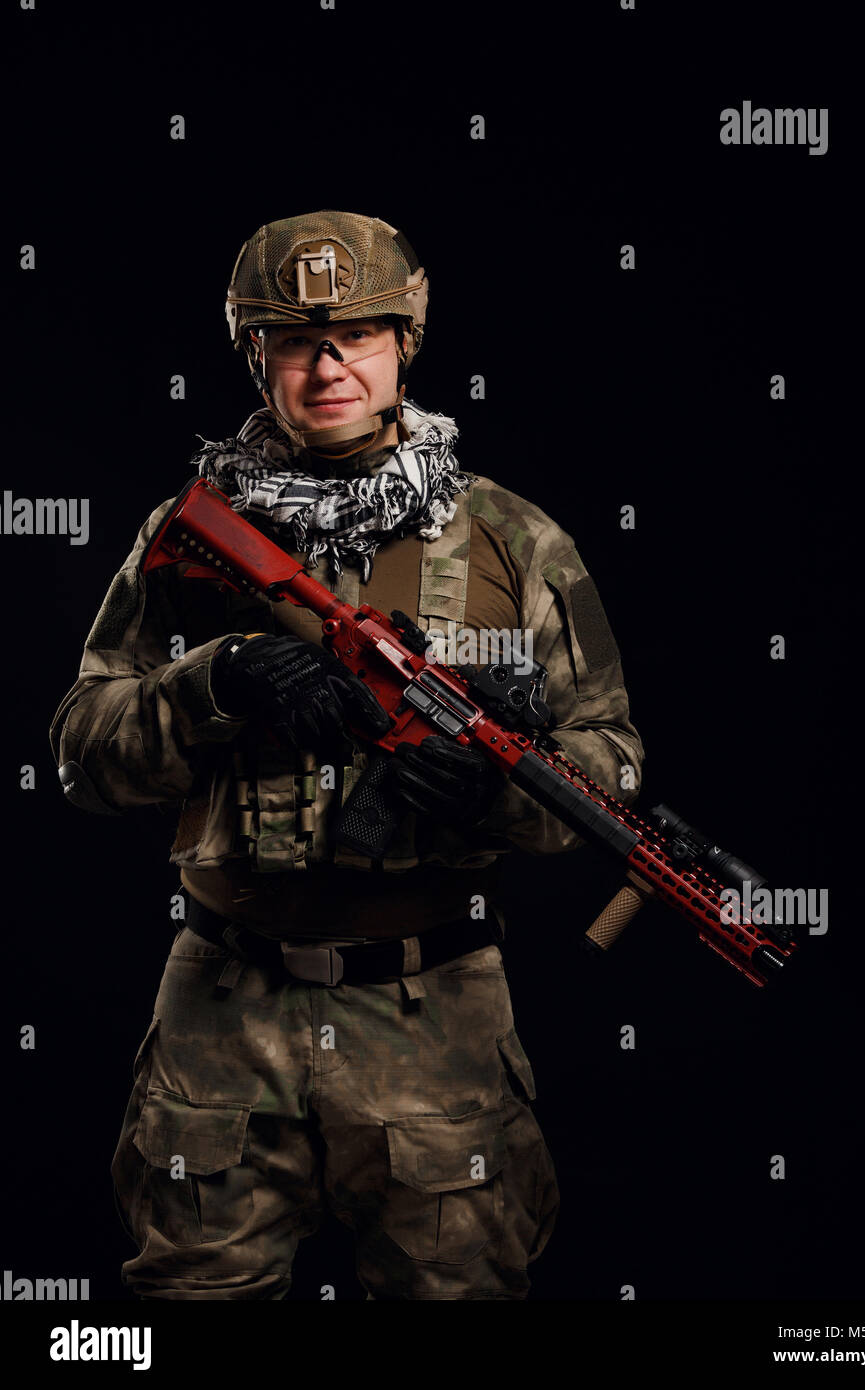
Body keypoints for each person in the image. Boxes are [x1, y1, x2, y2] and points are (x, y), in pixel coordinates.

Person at [49, 210, 645, 1301]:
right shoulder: (185, 538)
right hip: (222, 1005)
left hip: (436, 1021)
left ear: (402, 343)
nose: (327, 365)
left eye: (355, 336)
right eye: (293, 341)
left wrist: (495, 793)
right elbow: (81, 759)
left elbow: (608, 758)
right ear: (255, 356)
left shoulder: (515, 540)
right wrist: (213, 683)